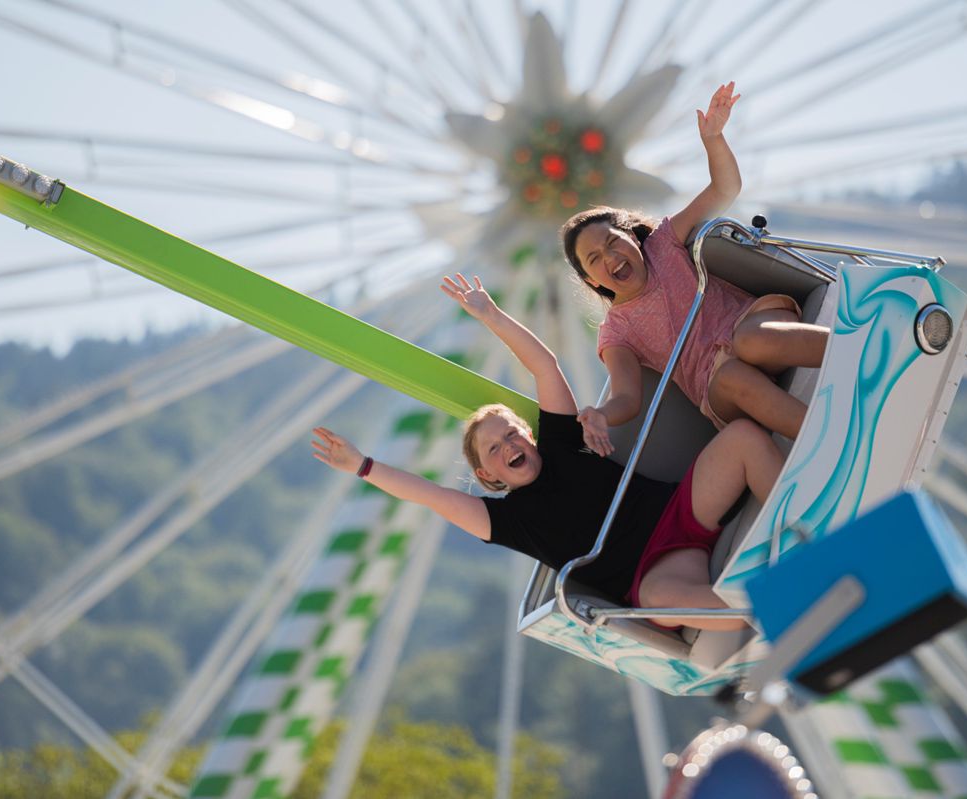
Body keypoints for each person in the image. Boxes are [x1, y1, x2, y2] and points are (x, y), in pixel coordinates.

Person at [312, 273, 783, 631]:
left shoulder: (561, 444)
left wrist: (491, 316)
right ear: (488, 475)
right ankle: (783, 610)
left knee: (743, 439)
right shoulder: (506, 521)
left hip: (679, 509)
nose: (509, 446)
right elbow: (430, 495)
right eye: (495, 449)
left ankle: (800, 524)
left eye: (512, 434)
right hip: (653, 572)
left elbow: (544, 366)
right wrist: (362, 466)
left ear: (530, 436)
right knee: (665, 602)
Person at [558, 82, 829, 452]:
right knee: (732, 376)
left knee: (749, 342)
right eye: (594, 259)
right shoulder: (616, 333)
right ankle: (827, 441)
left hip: (748, 325)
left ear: (632, 236)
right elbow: (627, 398)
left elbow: (725, 188)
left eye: (612, 242)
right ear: (591, 280)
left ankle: (862, 345)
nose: (609, 257)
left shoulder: (664, 242)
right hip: (716, 383)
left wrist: (713, 139)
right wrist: (602, 414)